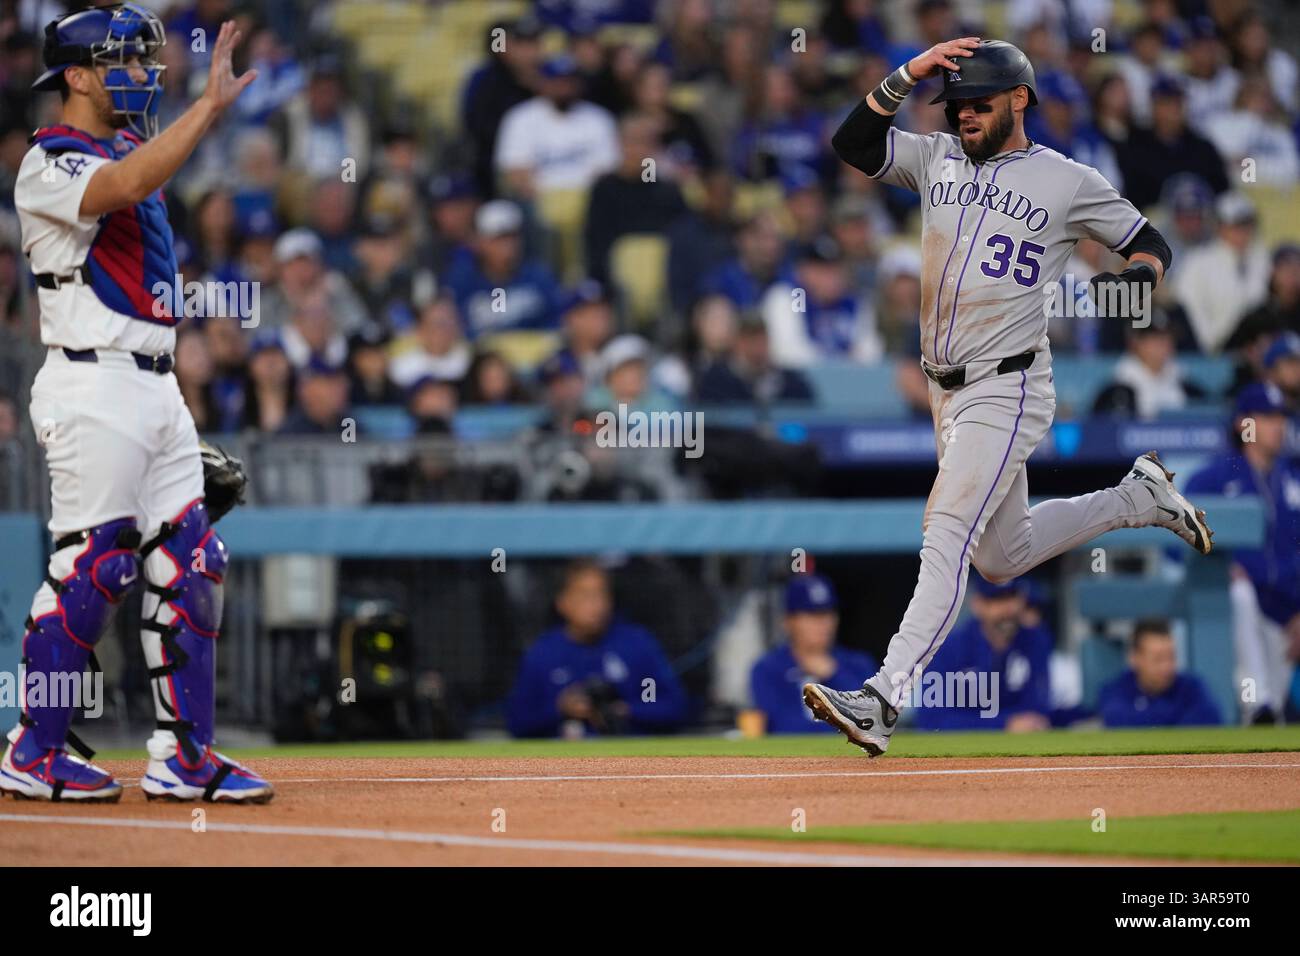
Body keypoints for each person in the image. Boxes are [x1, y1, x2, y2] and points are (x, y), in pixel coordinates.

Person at [801, 37, 1212, 757]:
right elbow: (853, 143)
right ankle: (1137, 500)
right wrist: (907, 75)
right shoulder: (937, 158)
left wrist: (1140, 278)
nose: (962, 114)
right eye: (954, 104)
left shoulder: (1065, 179)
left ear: (1019, 99)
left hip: (1009, 382)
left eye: (977, 102)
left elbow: (1148, 241)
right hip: (944, 388)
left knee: (946, 530)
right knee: (1001, 554)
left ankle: (885, 695)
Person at [4, 4, 271, 801]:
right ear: (77, 77)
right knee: (95, 564)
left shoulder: (125, 144)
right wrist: (208, 109)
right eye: (124, 62)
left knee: (193, 558)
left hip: (152, 383)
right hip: (90, 381)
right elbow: (125, 185)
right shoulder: (48, 159)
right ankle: (33, 748)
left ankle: (182, 755)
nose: (143, 74)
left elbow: (139, 181)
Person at [1185, 383, 1300, 723]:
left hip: (1286, 612)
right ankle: (1256, 702)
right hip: (1230, 607)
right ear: (1242, 423)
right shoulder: (1214, 477)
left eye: (1281, 417)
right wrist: (1219, 564)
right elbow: (1175, 539)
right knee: (1240, 593)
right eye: (1267, 417)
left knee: (1271, 720)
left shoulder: (1293, 476)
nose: (1277, 425)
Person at [506, 560, 687, 737]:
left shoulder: (636, 644)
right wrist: (561, 708)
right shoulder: (544, 653)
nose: (596, 605)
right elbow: (517, 720)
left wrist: (626, 710)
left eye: (601, 594)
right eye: (585, 595)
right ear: (563, 602)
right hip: (566, 759)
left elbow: (675, 706)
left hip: (628, 755)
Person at [913, 576, 1052, 732]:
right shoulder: (948, 647)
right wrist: (1003, 723)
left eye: (1012, 597)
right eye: (996, 599)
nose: (1007, 609)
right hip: (962, 749)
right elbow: (931, 720)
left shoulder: (1035, 640)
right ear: (977, 604)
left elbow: (1037, 712)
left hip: (1023, 744)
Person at [750, 575, 877, 734]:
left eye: (827, 613)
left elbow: (872, 718)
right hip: (791, 757)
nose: (823, 623)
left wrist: (834, 674)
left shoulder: (858, 663)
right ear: (788, 621)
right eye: (811, 615)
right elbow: (782, 726)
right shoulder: (767, 669)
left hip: (850, 758)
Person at [1174, 192, 1271, 354]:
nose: (1241, 231)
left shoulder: (1265, 261)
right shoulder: (1197, 262)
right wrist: (1212, 346)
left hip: (1262, 354)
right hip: (1215, 353)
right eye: (1235, 225)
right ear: (1219, 226)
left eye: (1246, 224)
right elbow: (1189, 310)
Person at [1098, 620, 1222, 727]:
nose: (1166, 667)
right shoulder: (1116, 689)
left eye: (1171, 657)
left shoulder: (1191, 686)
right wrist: (1177, 716)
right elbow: (1116, 721)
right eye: (1158, 659)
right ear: (1135, 658)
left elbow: (1210, 718)